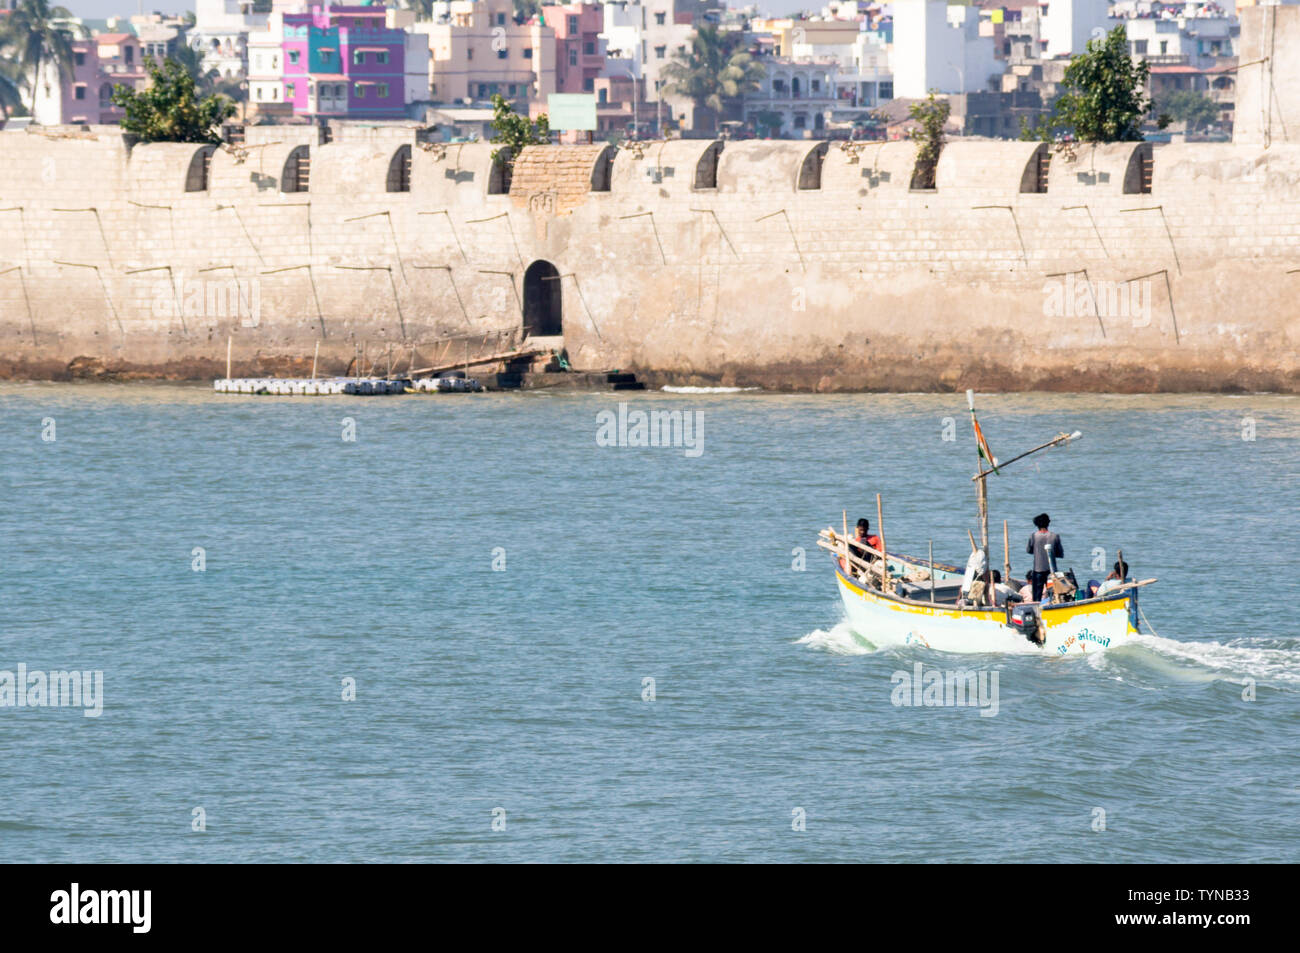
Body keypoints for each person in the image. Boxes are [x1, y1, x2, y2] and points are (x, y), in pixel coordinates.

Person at [1025, 513, 1063, 602]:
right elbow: (1060, 553)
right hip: (1051, 570)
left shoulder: (1033, 536)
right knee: (1053, 594)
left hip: (1038, 569)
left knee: (1037, 595)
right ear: (1048, 523)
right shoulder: (1054, 536)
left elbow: (1029, 550)